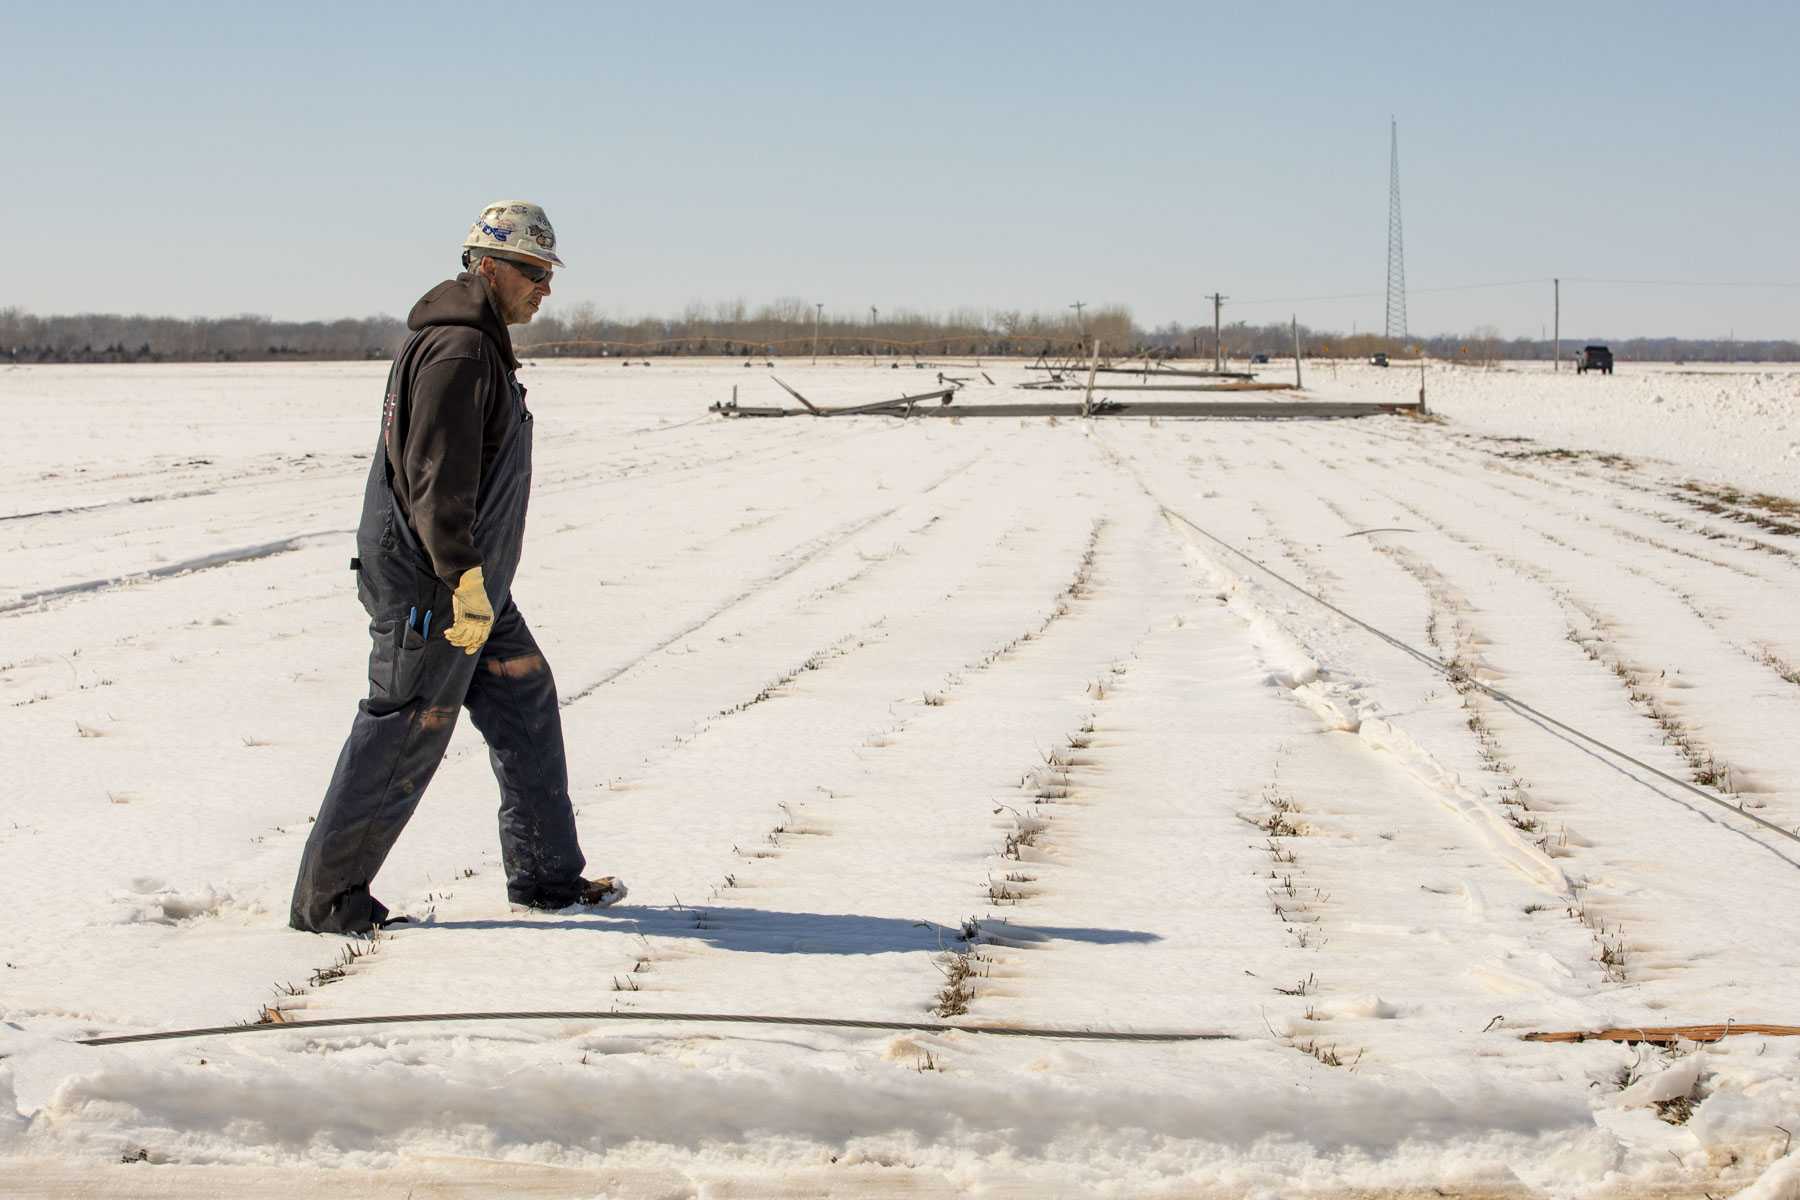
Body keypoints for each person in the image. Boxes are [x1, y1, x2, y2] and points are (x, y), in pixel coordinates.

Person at [290, 200, 624, 934]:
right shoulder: (459, 351)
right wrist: (465, 583)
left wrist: (479, 583)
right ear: (486, 266)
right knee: (408, 723)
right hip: (437, 584)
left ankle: (546, 876)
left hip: (471, 581)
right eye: (532, 271)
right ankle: (328, 901)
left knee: (525, 699)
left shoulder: (480, 343)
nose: (544, 287)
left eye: (548, 272)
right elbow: (436, 482)